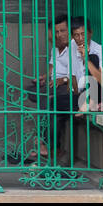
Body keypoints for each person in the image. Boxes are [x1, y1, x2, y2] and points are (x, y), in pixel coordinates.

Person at [29, 15, 83, 163]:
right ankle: (47, 144)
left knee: (49, 102)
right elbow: (52, 70)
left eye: (62, 31)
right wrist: (44, 78)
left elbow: (78, 76)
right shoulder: (55, 49)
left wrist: (63, 79)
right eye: (56, 32)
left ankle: (44, 142)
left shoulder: (75, 47)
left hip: (70, 89)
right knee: (32, 91)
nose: (59, 35)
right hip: (55, 86)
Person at [71, 17, 103, 111]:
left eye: (83, 34)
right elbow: (72, 75)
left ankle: (91, 103)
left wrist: (86, 59)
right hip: (84, 93)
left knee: (93, 58)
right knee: (54, 102)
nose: (81, 38)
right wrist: (77, 96)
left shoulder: (101, 51)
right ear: (73, 37)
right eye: (76, 35)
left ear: (90, 33)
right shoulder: (72, 46)